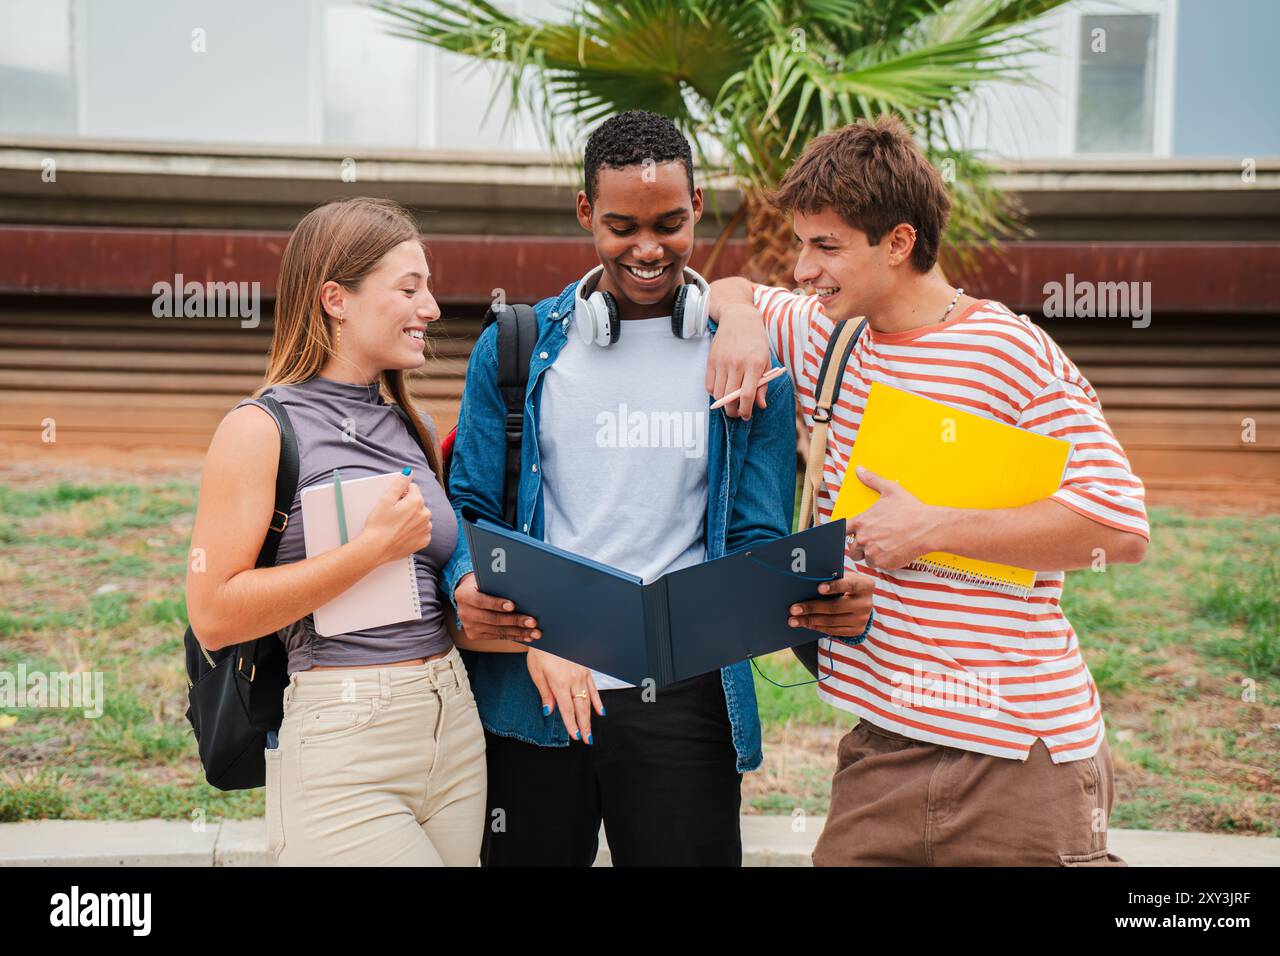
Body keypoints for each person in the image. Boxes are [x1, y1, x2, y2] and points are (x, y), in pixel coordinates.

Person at [705, 116, 1149, 866]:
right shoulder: (828, 334)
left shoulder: (1009, 352)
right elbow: (723, 286)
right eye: (802, 243)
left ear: (899, 243)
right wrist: (743, 319)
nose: (804, 268)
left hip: (1018, 756)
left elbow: (1119, 528)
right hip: (882, 747)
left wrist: (933, 528)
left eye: (825, 246)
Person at [442, 110, 874, 866]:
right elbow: (470, 507)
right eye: (621, 226)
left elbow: (755, 535)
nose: (648, 248)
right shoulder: (514, 345)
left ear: (698, 207)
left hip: (687, 695)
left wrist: (804, 589)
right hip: (536, 688)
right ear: (586, 215)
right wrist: (478, 588)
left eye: (670, 224)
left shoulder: (748, 359)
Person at [186, 197, 486, 866]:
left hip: (451, 724)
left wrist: (475, 608)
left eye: (429, 288)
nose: (431, 308)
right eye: (409, 289)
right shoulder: (258, 430)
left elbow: (423, 588)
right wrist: (368, 551)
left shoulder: (408, 423)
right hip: (344, 739)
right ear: (335, 299)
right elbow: (213, 616)